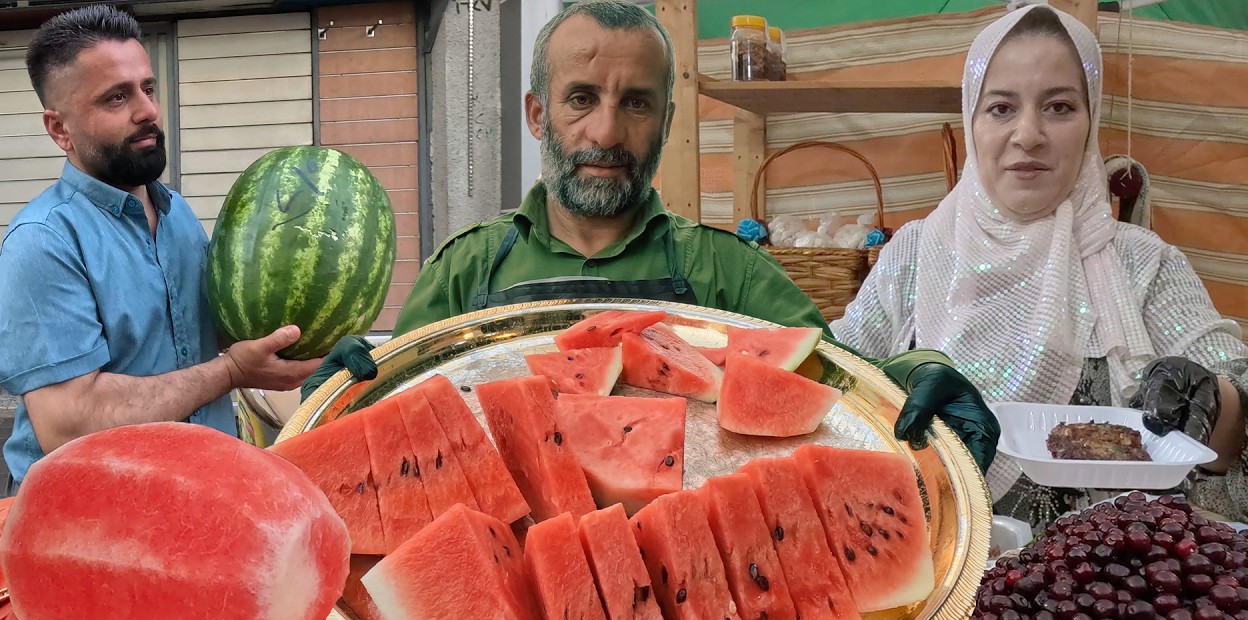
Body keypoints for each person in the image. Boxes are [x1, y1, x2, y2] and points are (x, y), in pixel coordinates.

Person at [390, 0, 1001, 474]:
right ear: (536, 114)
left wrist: (918, 374)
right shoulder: (466, 269)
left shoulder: (729, 271)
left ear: (666, 122)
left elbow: (841, 391)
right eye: (581, 98)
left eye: (635, 103)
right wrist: (336, 391)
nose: (606, 131)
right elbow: (391, 428)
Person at [831, 3, 1248, 527]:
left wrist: (1215, 400)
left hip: (1115, 588)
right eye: (1001, 108)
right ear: (971, 119)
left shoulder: (1146, 264)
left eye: (1059, 107)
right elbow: (835, 380)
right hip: (934, 565)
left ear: (1090, 121)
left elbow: (1238, 420)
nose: (1028, 134)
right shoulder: (915, 253)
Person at [0, 5, 365, 490]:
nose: (147, 111)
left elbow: (208, 334)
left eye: (148, 88)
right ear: (60, 129)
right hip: (92, 512)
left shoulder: (176, 212)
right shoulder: (44, 240)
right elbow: (68, 420)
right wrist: (231, 372)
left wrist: (313, 341)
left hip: (202, 488)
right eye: (116, 98)